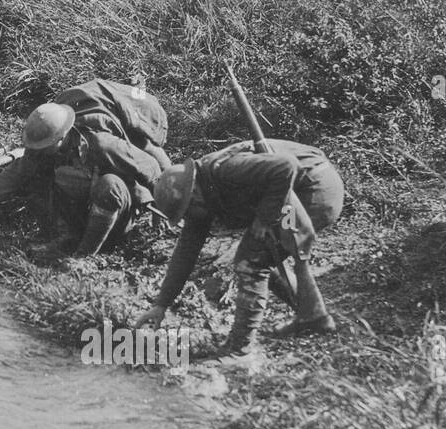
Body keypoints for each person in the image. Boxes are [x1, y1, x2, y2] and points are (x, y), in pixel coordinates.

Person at [133, 139, 346, 358]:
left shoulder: (224, 170)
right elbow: (185, 253)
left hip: (314, 190)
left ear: (193, 194)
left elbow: (286, 166)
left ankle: (239, 350)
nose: (188, 219)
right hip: (294, 196)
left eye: (186, 212)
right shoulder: (200, 196)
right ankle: (311, 316)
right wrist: (160, 305)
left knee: (250, 259)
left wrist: (264, 218)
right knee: (261, 254)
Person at [0, 99, 165, 256]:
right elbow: (11, 178)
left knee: (110, 185)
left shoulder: (103, 144)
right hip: (82, 211)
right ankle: (66, 238)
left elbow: (151, 168)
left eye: (44, 145)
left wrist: (162, 211)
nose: (38, 150)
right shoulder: (45, 151)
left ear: (61, 138)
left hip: (117, 212)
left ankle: (85, 257)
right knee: (39, 178)